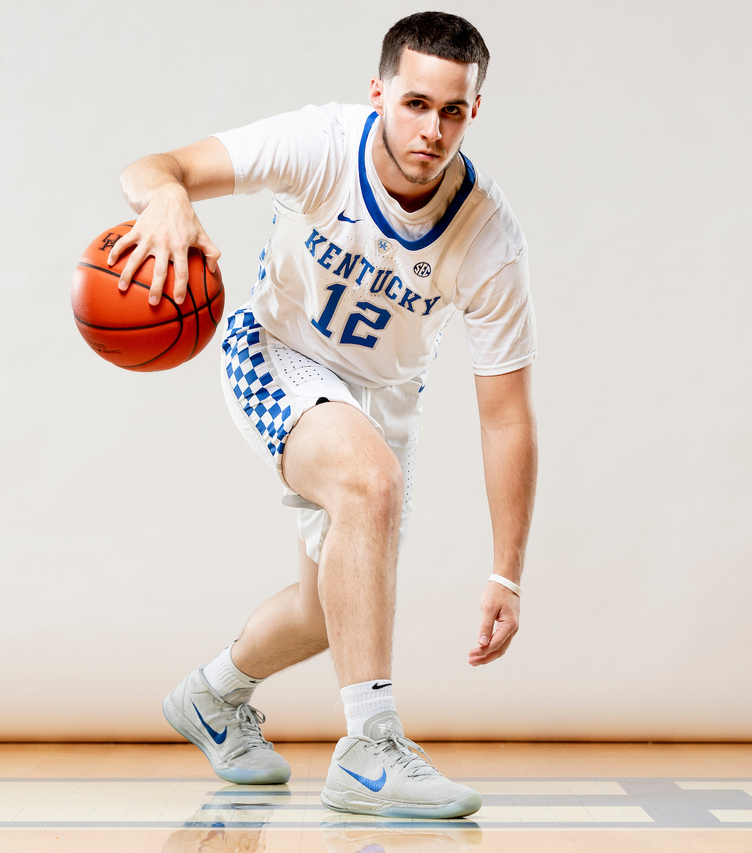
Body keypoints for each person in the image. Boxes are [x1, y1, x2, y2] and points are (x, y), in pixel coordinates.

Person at [108, 11, 537, 820]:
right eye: (414, 103)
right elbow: (151, 166)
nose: (432, 128)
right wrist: (165, 198)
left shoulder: (488, 236)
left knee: (329, 609)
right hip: (276, 353)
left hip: (384, 400)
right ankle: (368, 751)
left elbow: (507, 415)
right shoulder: (319, 144)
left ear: (472, 112)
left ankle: (211, 696)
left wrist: (506, 572)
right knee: (368, 484)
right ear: (377, 93)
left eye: (452, 111)